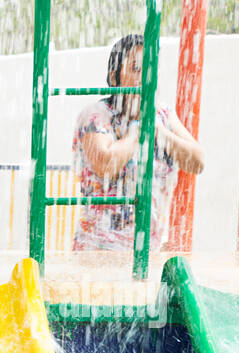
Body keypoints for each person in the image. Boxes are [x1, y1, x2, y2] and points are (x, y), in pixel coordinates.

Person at [73, 33, 205, 252]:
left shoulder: (162, 115)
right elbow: (106, 165)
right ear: (114, 78)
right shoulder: (96, 115)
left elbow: (198, 161)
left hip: (147, 251)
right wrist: (137, 130)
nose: (145, 78)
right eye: (136, 69)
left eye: (151, 69)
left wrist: (158, 131)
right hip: (98, 252)